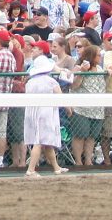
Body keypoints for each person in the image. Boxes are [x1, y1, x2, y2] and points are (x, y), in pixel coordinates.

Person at [22, 43, 68, 176]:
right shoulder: (50, 81)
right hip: (45, 114)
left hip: (31, 113)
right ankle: (30, 170)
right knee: (40, 142)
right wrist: (69, 109)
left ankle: (56, 168)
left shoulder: (30, 82)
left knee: (46, 143)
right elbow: (61, 97)